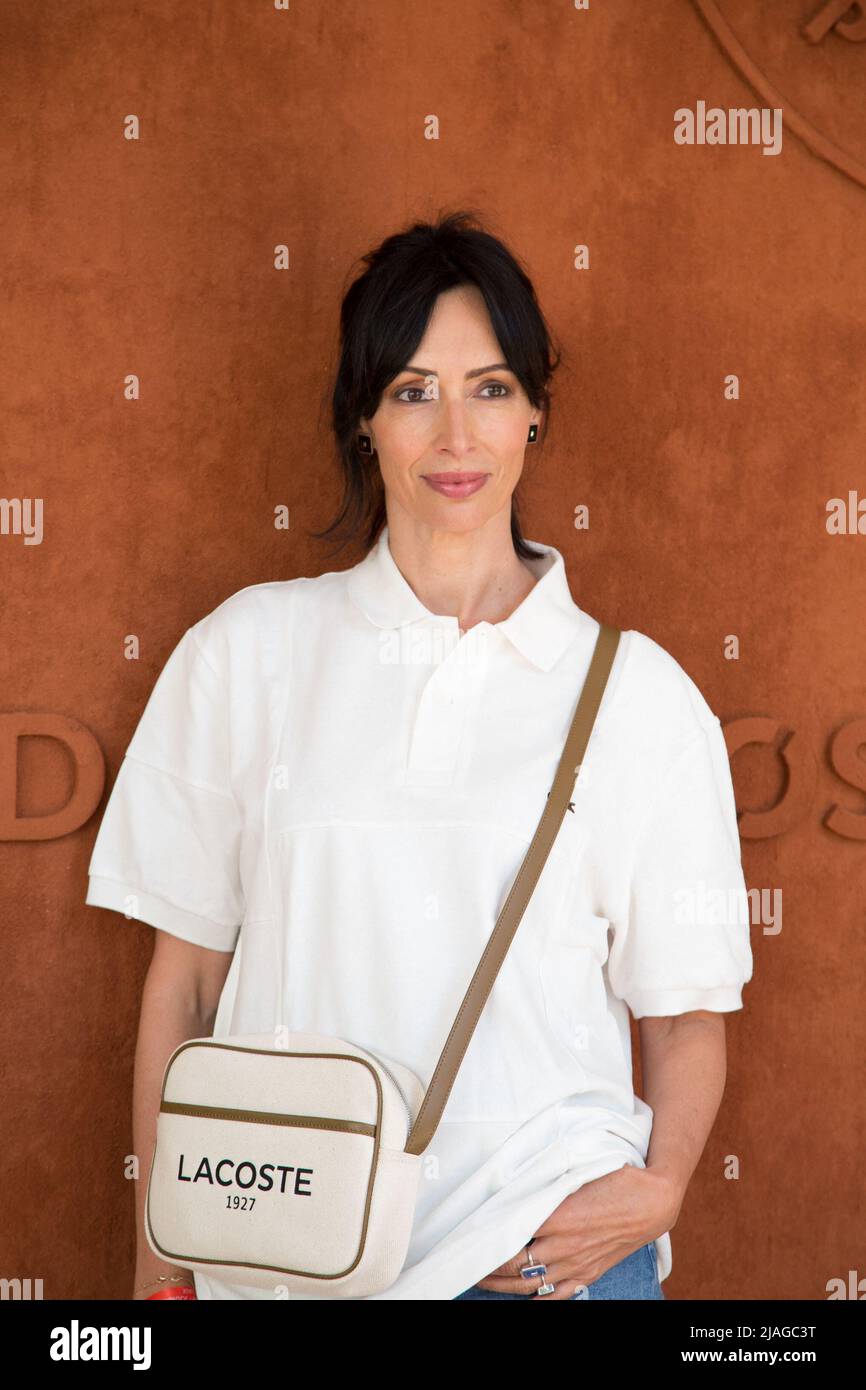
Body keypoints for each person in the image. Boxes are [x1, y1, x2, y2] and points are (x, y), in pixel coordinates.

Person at [85, 210, 753, 1302]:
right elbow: (186, 987)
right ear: (362, 418)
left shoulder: (637, 696)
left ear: (534, 413)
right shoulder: (245, 653)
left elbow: (684, 1013)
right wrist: (161, 1264)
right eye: (411, 390)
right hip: (284, 1273)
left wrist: (664, 1184)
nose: (455, 435)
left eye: (490, 388)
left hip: (543, 1268)